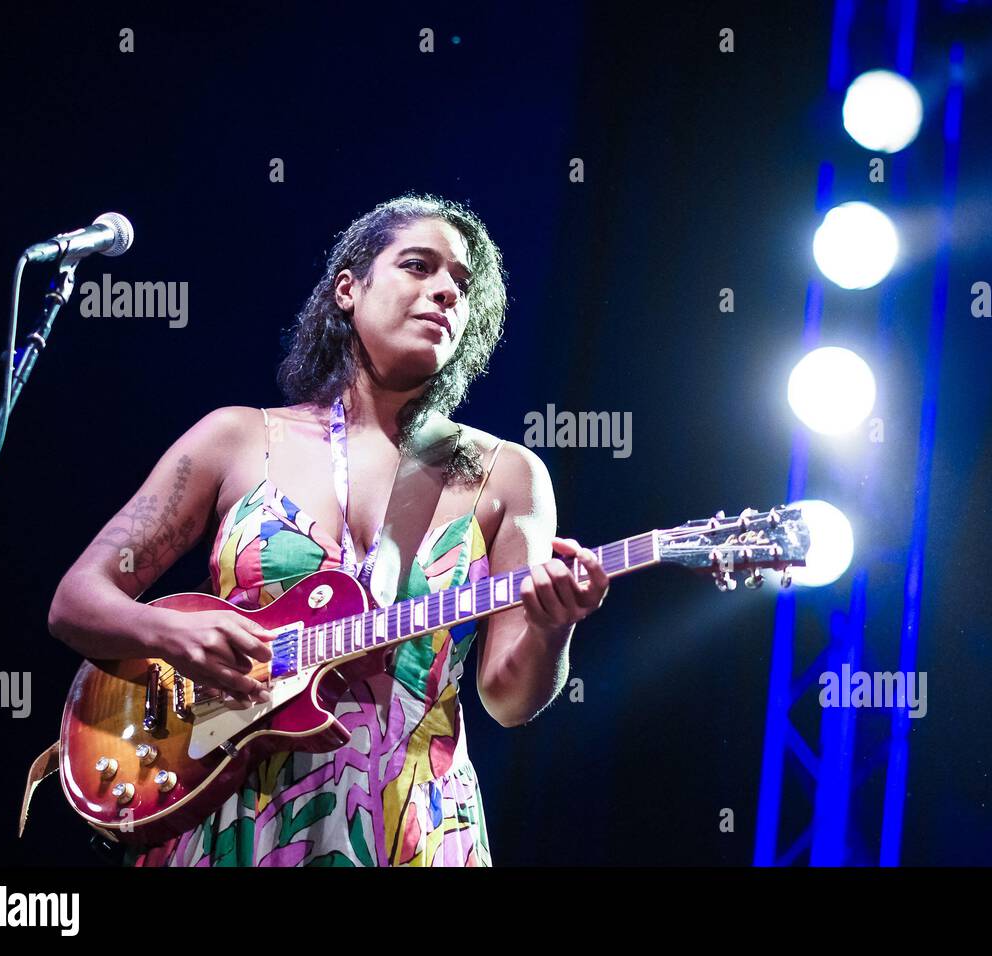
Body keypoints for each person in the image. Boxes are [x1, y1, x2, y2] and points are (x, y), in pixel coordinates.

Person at [47, 193, 609, 866]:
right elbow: (78, 599)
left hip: (413, 825)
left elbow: (510, 699)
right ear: (348, 288)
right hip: (238, 810)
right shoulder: (237, 439)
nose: (444, 293)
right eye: (418, 266)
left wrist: (555, 623)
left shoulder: (508, 475)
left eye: (461, 285)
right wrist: (173, 632)